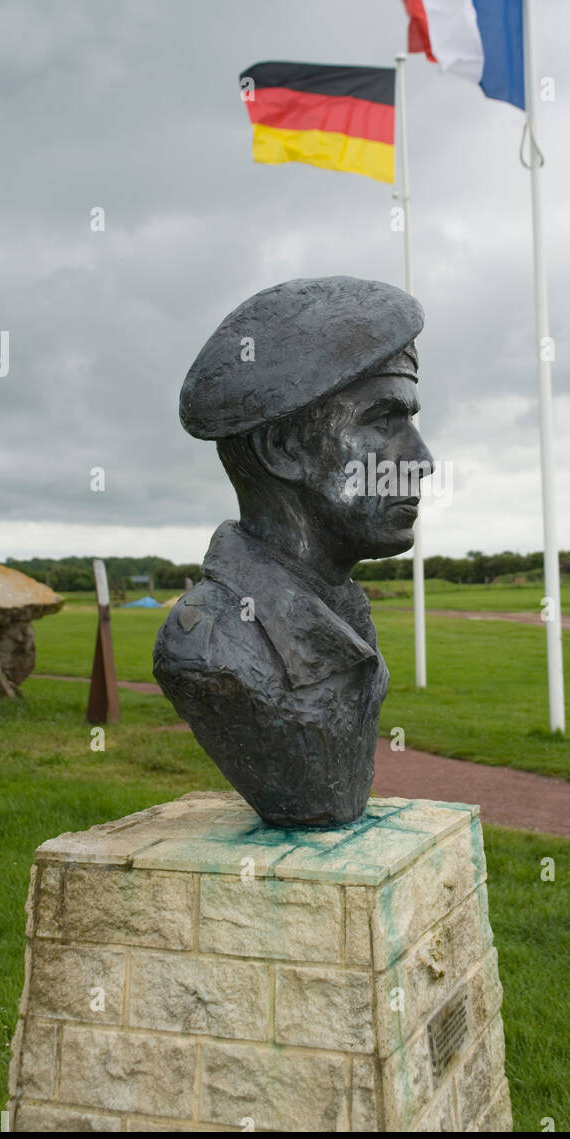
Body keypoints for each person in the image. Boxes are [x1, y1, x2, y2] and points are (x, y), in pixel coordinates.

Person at [154, 275, 432, 827]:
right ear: (284, 450)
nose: (421, 460)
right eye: (383, 421)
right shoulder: (211, 650)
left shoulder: (341, 604)